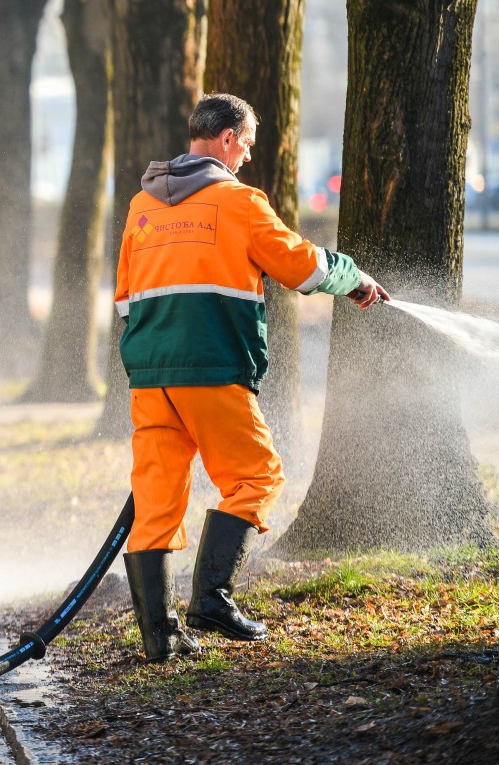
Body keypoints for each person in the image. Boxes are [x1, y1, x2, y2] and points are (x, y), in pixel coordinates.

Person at [113, 93, 388, 662]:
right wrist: (354, 278)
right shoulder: (238, 202)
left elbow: (124, 301)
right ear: (227, 139)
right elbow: (300, 264)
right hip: (212, 367)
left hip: (150, 376)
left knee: (156, 499)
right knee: (257, 476)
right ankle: (211, 600)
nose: (247, 158)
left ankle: (161, 638)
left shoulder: (142, 207)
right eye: (247, 146)